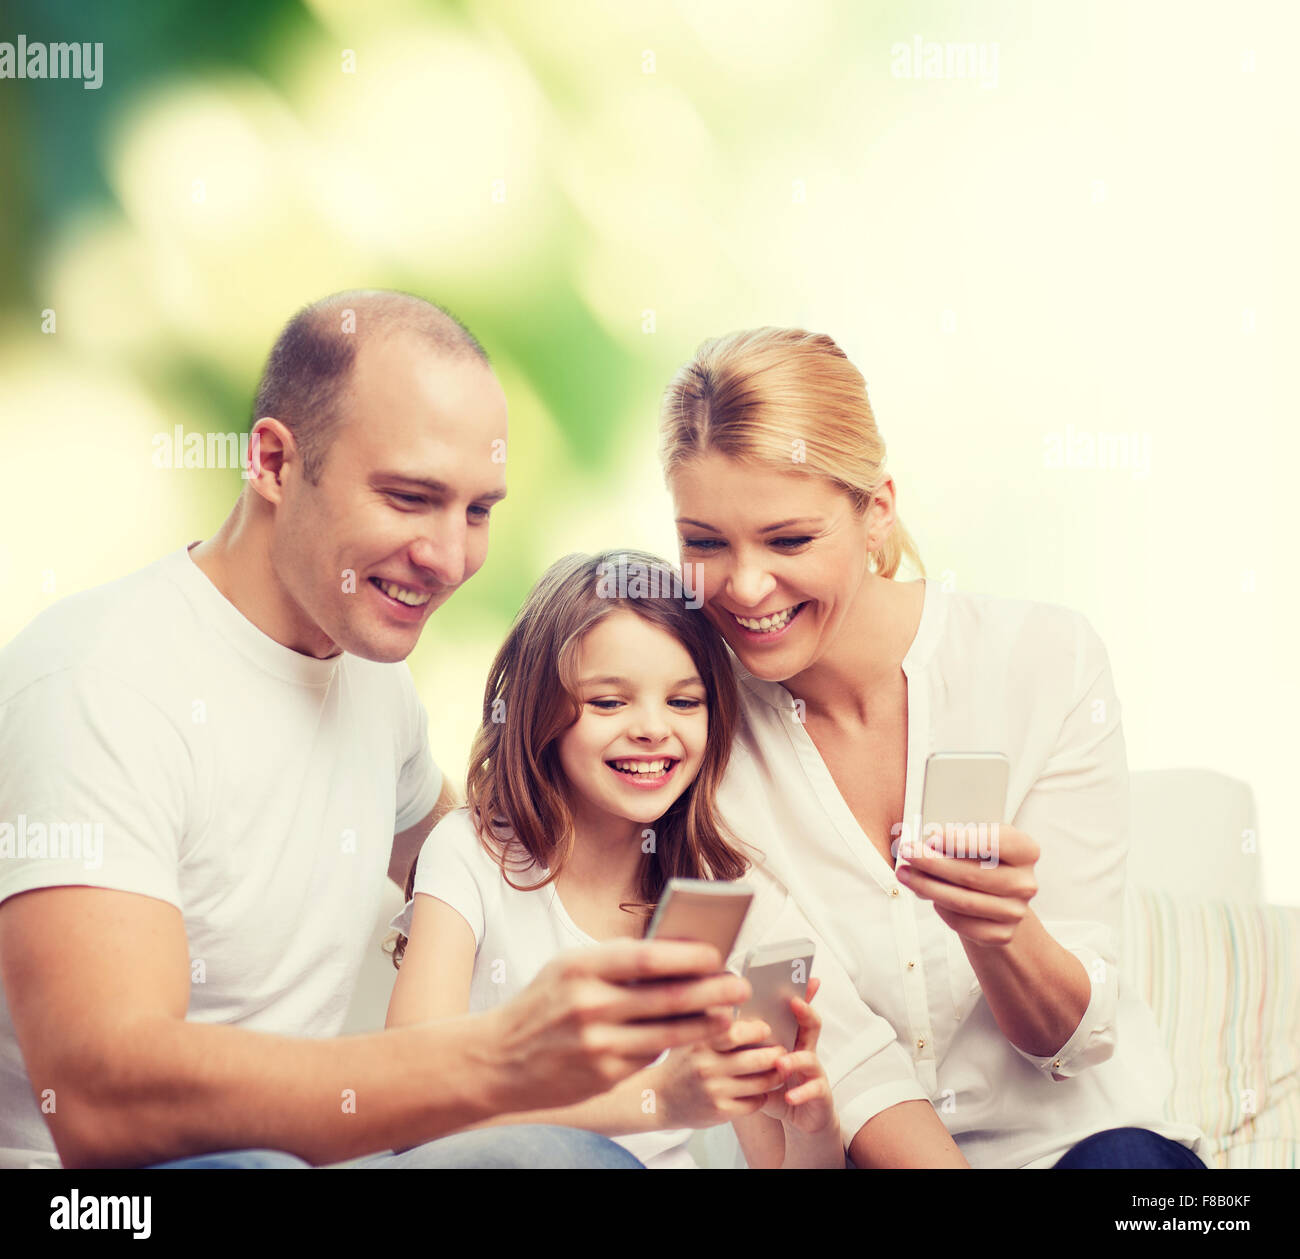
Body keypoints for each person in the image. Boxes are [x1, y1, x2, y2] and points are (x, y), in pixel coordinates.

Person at [0, 290, 751, 1171]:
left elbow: (485, 849)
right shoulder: (98, 683)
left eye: (477, 511)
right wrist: (503, 1056)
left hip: (305, 1164)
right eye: (409, 496)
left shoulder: (370, 678)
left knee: (567, 1156)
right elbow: (103, 1103)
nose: (448, 557)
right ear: (275, 462)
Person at [655, 326, 1210, 1170]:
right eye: (704, 542)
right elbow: (839, 1057)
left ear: (877, 508)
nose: (745, 586)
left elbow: (1073, 1040)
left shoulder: (1047, 662)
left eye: (789, 540)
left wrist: (999, 933)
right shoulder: (696, 738)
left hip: (1089, 1149)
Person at [386, 550, 968, 1168]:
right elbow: (408, 1108)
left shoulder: (723, 897)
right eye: (609, 702)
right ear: (539, 713)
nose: (652, 728)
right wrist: (654, 1100)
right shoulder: (472, 855)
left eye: (684, 703)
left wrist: (810, 1129)